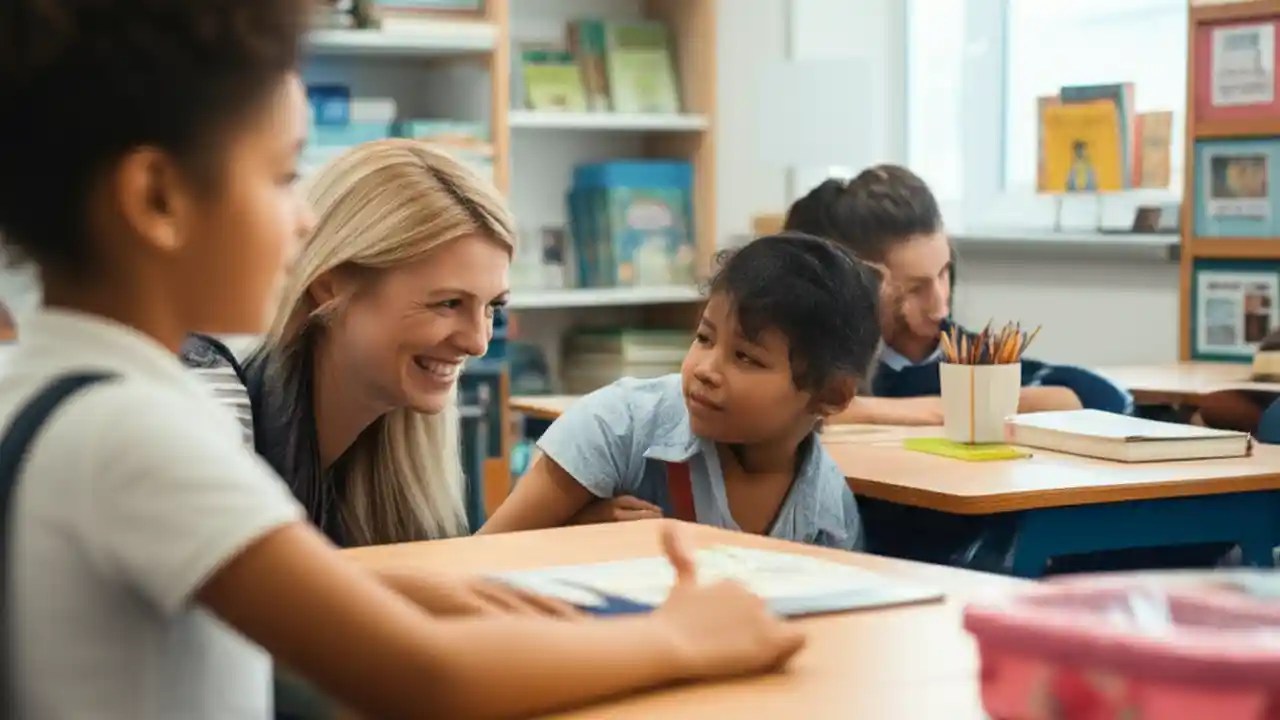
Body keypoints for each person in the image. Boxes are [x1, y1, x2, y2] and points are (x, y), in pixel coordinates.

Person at [0, 2, 803, 718]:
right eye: (282, 176)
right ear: (157, 200)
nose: (305, 218)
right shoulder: (147, 430)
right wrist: (682, 636)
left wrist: (434, 588)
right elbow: (423, 679)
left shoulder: (63, 389)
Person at [481, 233, 880, 550]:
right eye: (704, 337)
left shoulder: (827, 512)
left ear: (830, 394)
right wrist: (575, 538)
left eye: (745, 358)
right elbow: (479, 558)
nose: (706, 370)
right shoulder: (619, 426)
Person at [782, 165, 1132, 427]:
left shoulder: (963, 357)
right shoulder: (818, 360)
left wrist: (927, 409)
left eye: (944, 273)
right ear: (864, 282)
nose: (939, 303)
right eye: (914, 288)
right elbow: (801, 414)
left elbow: (1104, 399)